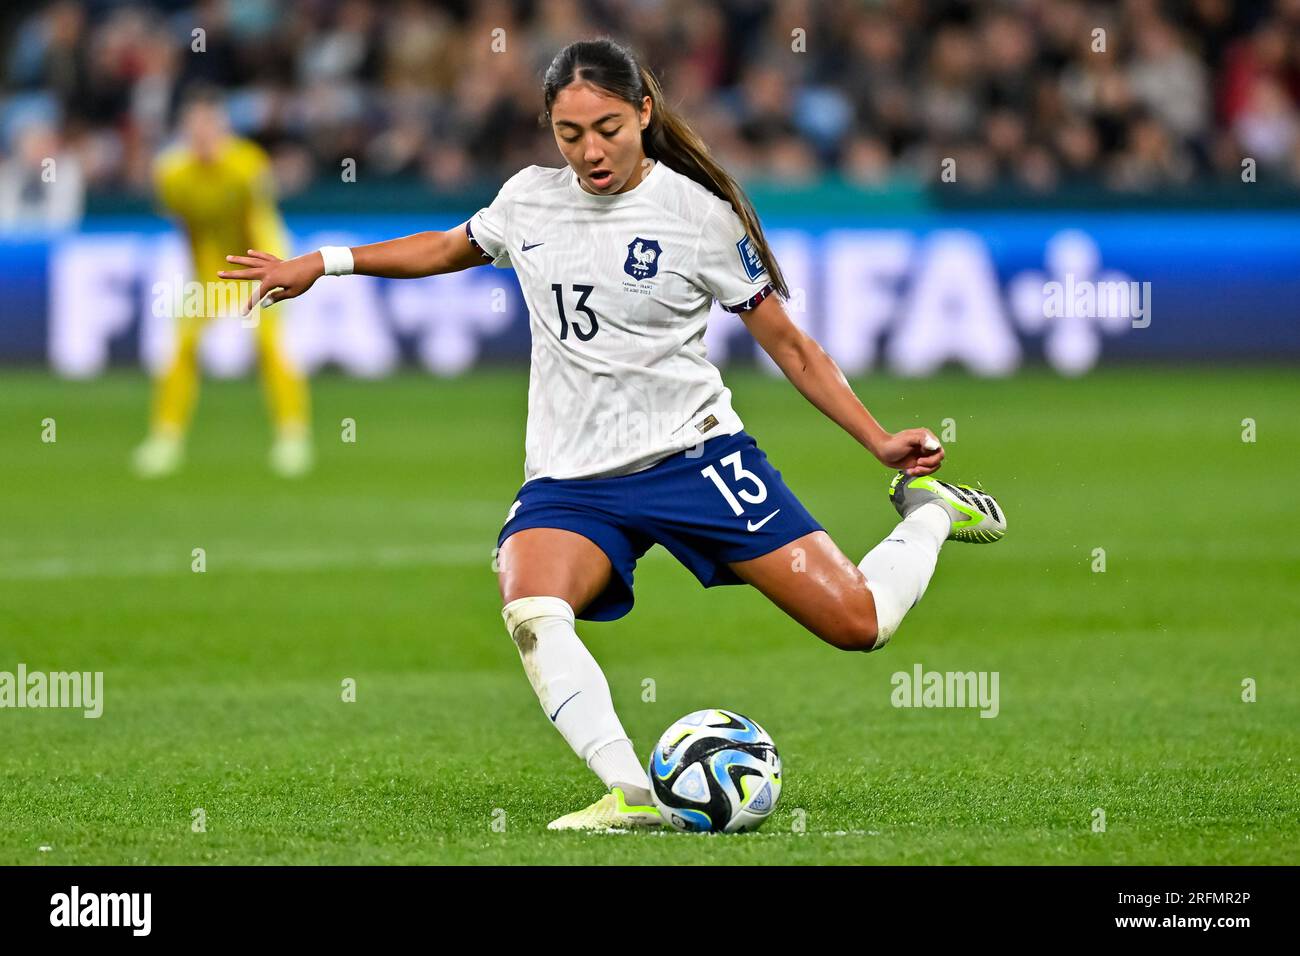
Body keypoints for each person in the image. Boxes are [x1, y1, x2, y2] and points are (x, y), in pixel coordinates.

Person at [218, 39, 1007, 831]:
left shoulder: (699, 215)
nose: (590, 151)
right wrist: (325, 261)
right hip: (573, 480)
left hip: (696, 458)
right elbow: (450, 247)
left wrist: (878, 442)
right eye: (569, 134)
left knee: (860, 624)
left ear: (643, 114)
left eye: (606, 128)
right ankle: (631, 789)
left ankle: (932, 511)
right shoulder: (529, 200)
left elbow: (793, 348)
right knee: (530, 603)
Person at [134, 88, 312, 478]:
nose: (203, 137)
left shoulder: (246, 166)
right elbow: (190, 230)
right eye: (195, 129)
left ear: (223, 129)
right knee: (183, 344)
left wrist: (271, 272)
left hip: (260, 259)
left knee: (269, 344)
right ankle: (166, 437)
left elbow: (259, 222)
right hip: (214, 269)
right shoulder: (172, 176)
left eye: (209, 127)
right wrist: (203, 279)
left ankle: (292, 435)